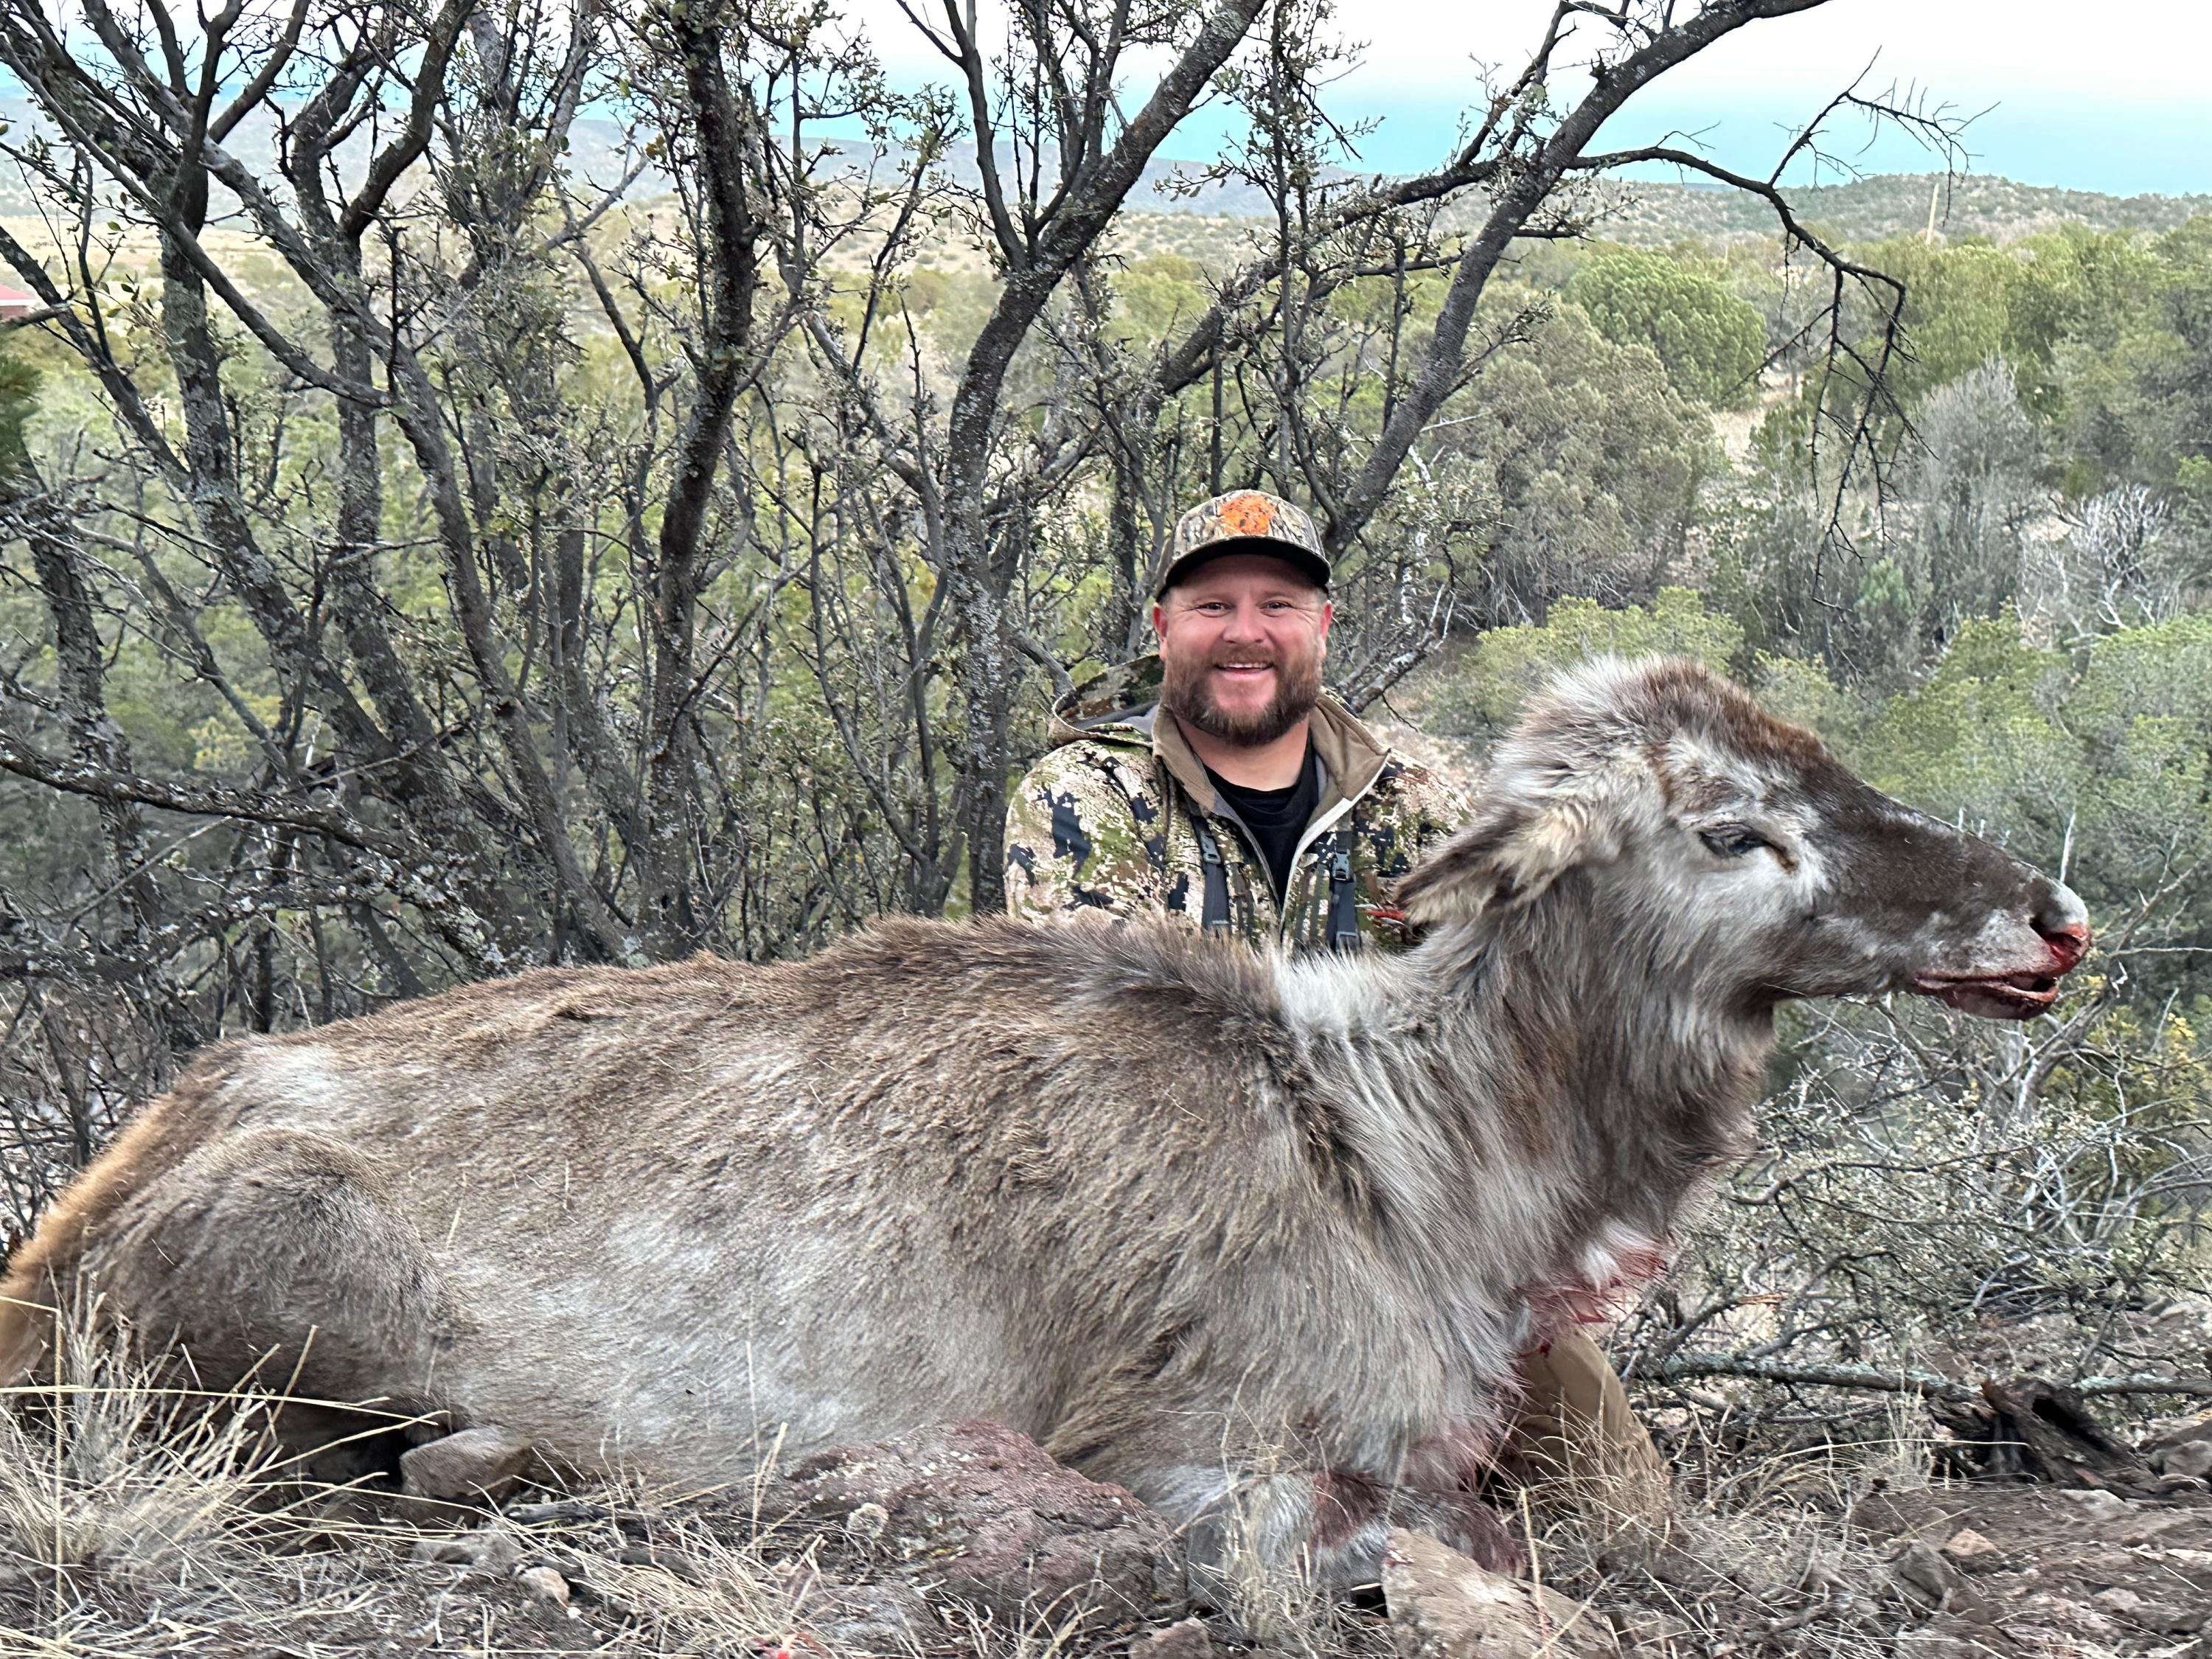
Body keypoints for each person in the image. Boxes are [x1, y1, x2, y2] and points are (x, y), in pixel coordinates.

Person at [1004, 487, 1670, 1536]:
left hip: (1411, 1232)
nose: (1245, 631)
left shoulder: (1424, 802)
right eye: (1213, 604)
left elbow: (1508, 1040)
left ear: (1322, 625)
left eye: (1277, 602)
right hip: (1188, 1241)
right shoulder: (1083, 800)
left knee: (1619, 1512)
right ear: (1163, 629)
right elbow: (1097, 1067)